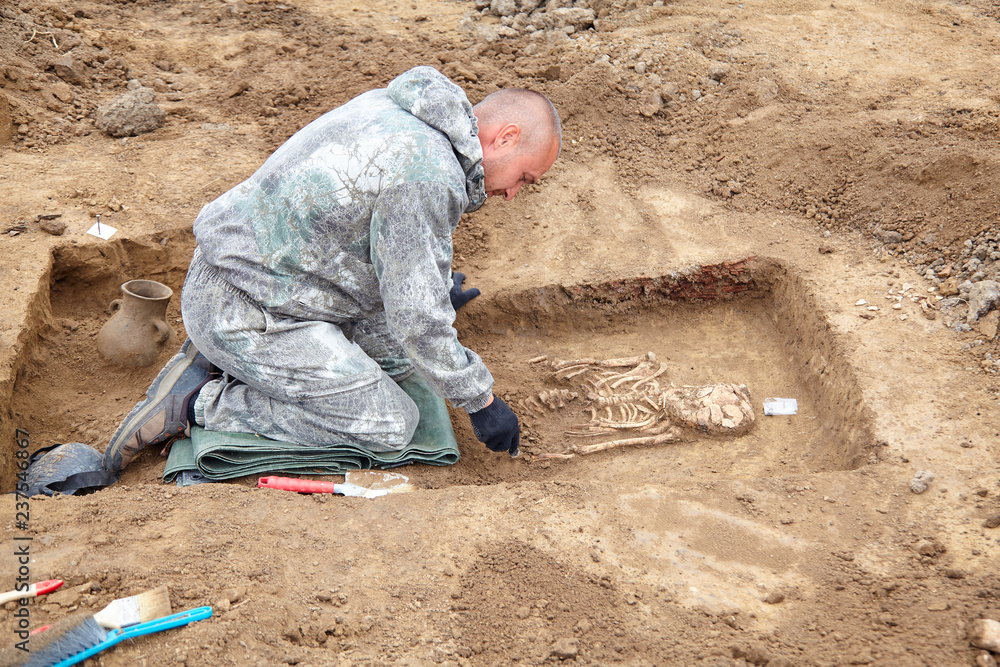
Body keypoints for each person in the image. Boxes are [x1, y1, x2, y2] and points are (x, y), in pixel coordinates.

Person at [103, 66, 561, 472]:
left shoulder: (408, 112)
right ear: (506, 137)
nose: (514, 194)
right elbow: (418, 319)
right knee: (389, 423)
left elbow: (365, 232)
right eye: (525, 178)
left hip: (255, 278)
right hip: (245, 310)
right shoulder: (429, 175)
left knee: (400, 357)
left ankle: (227, 362)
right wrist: (480, 401)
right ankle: (195, 404)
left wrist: (436, 286)